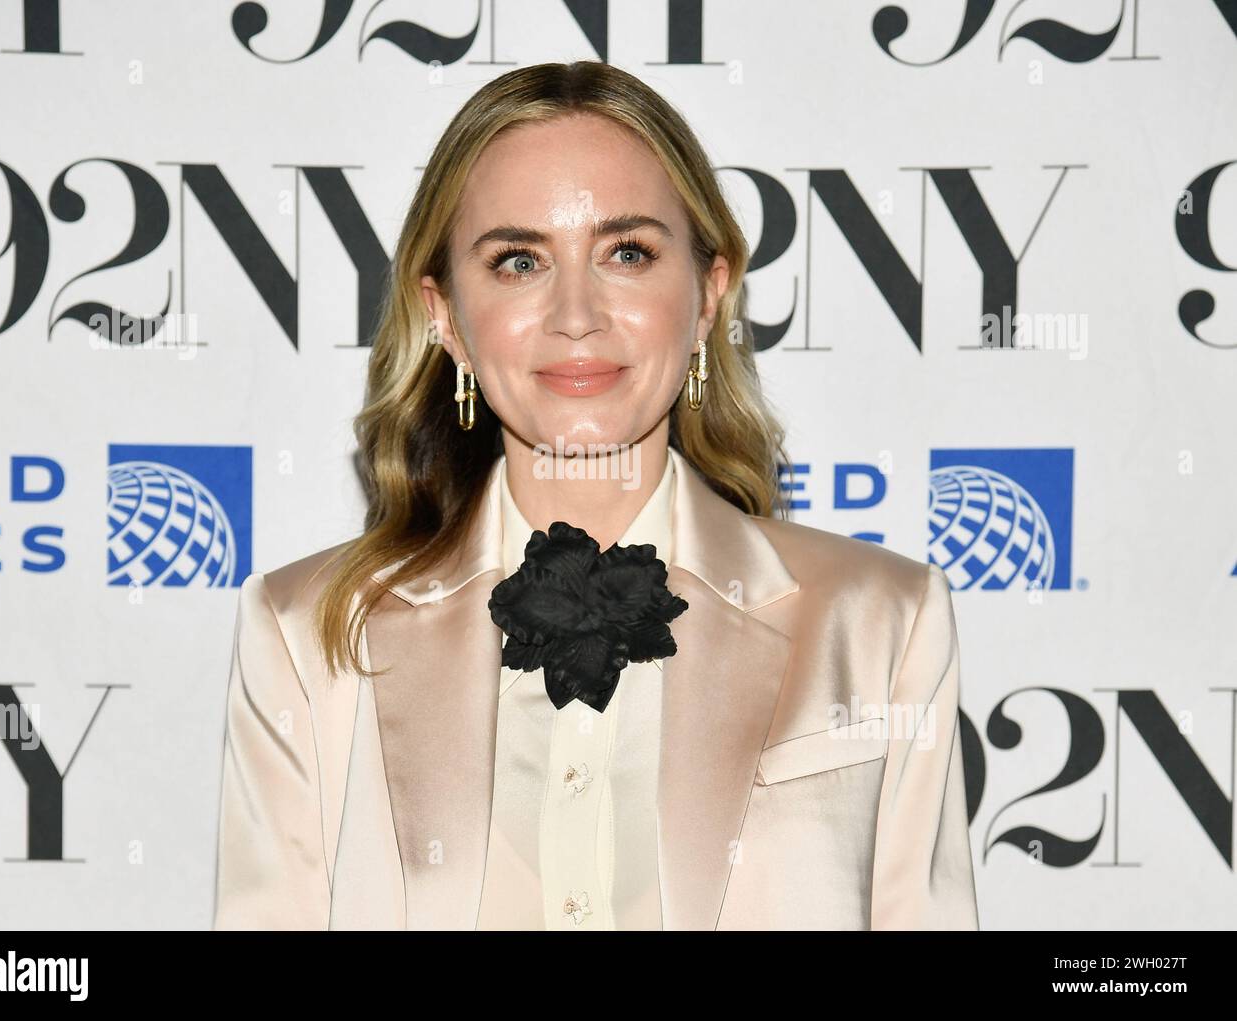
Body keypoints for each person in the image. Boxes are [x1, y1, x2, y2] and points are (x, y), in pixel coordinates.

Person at [211, 60, 978, 931]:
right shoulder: (309, 633)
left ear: (706, 297)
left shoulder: (881, 622)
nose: (576, 312)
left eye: (627, 253)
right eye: (517, 260)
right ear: (447, 317)